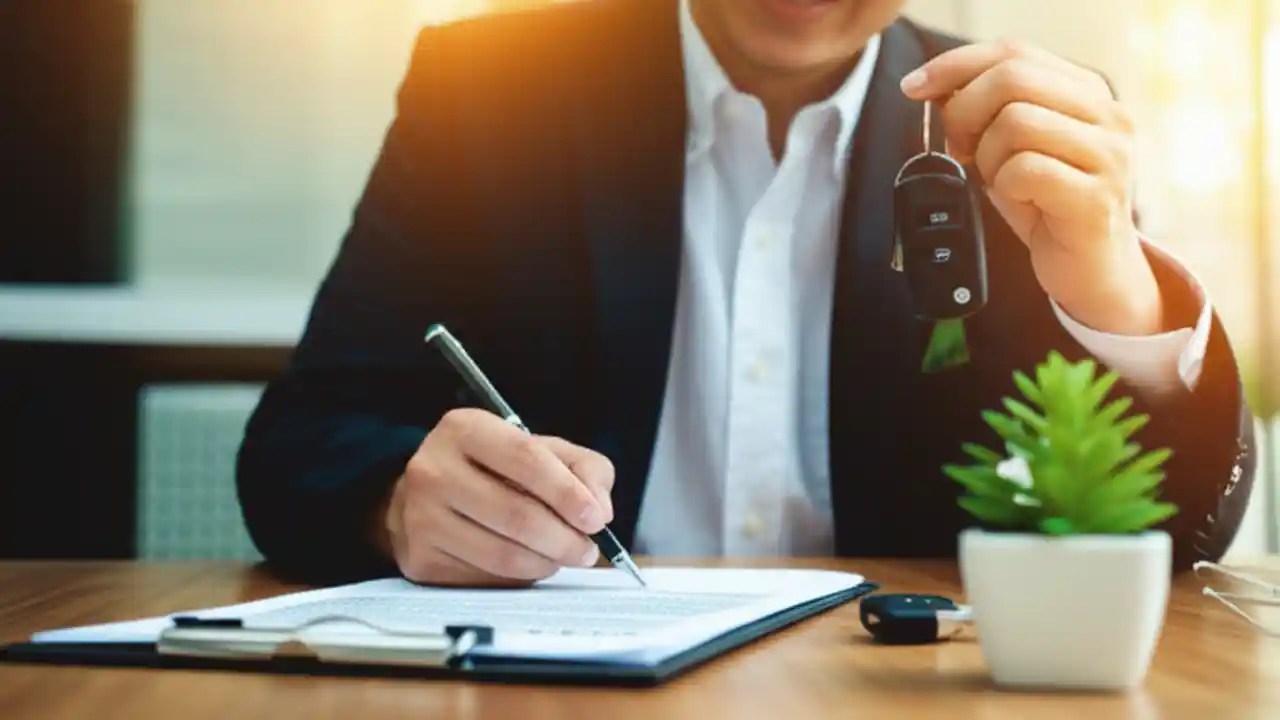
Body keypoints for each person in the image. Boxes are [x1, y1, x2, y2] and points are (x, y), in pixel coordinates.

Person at [237, 0, 1255, 586]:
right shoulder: (485, 85)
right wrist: (392, 504)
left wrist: (1114, 291)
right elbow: (298, 440)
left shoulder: (1029, 130)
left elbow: (1177, 538)